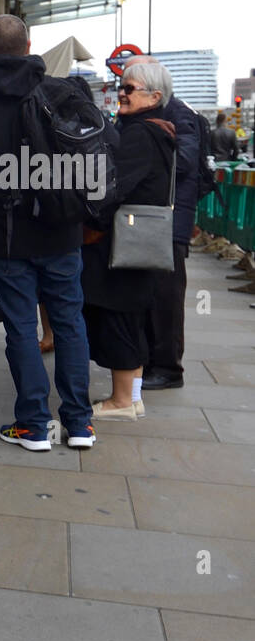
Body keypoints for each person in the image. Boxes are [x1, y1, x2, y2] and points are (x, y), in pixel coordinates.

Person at [0, 14, 95, 451]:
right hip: (64, 232)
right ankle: (79, 424)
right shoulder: (61, 94)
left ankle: (33, 424)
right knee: (69, 323)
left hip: (8, 237)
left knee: (22, 328)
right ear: (30, 48)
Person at [82, 61, 177, 420]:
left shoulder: (140, 134)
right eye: (121, 86)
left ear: (154, 96)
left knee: (119, 320)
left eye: (130, 88)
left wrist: (88, 211)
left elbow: (112, 187)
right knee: (131, 321)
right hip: (140, 242)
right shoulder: (158, 130)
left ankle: (122, 401)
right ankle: (132, 398)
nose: (121, 92)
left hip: (122, 242)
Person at [122, 55, 198, 392]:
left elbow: (182, 163)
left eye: (129, 84)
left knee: (166, 298)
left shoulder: (176, 115)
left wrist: (145, 152)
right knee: (147, 294)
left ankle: (168, 367)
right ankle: (151, 361)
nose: (123, 91)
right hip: (151, 218)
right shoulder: (148, 116)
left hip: (167, 220)